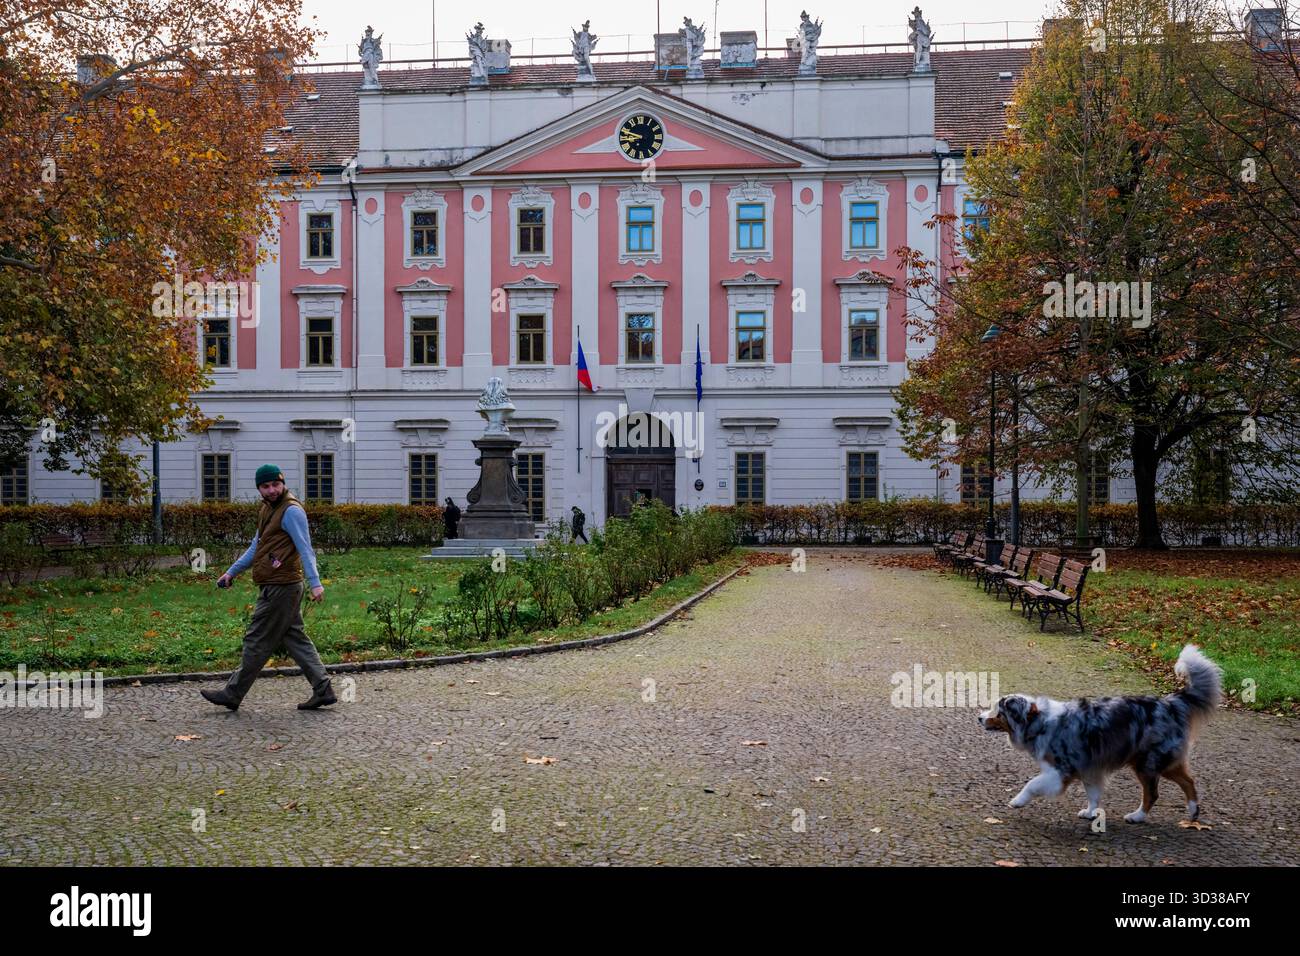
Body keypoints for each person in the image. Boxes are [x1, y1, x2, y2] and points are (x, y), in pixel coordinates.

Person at [201, 464, 335, 711]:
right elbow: (257, 546)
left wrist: (315, 583)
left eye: (276, 484)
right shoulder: (267, 509)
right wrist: (232, 571)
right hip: (279, 585)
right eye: (266, 486)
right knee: (294, 638)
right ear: (259, 489)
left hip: (281, 587)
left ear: (283, 483)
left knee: (256, 639)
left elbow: (306, 549)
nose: (272, 490)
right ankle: (323, 689)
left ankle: (232, 694)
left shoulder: (291, 511)